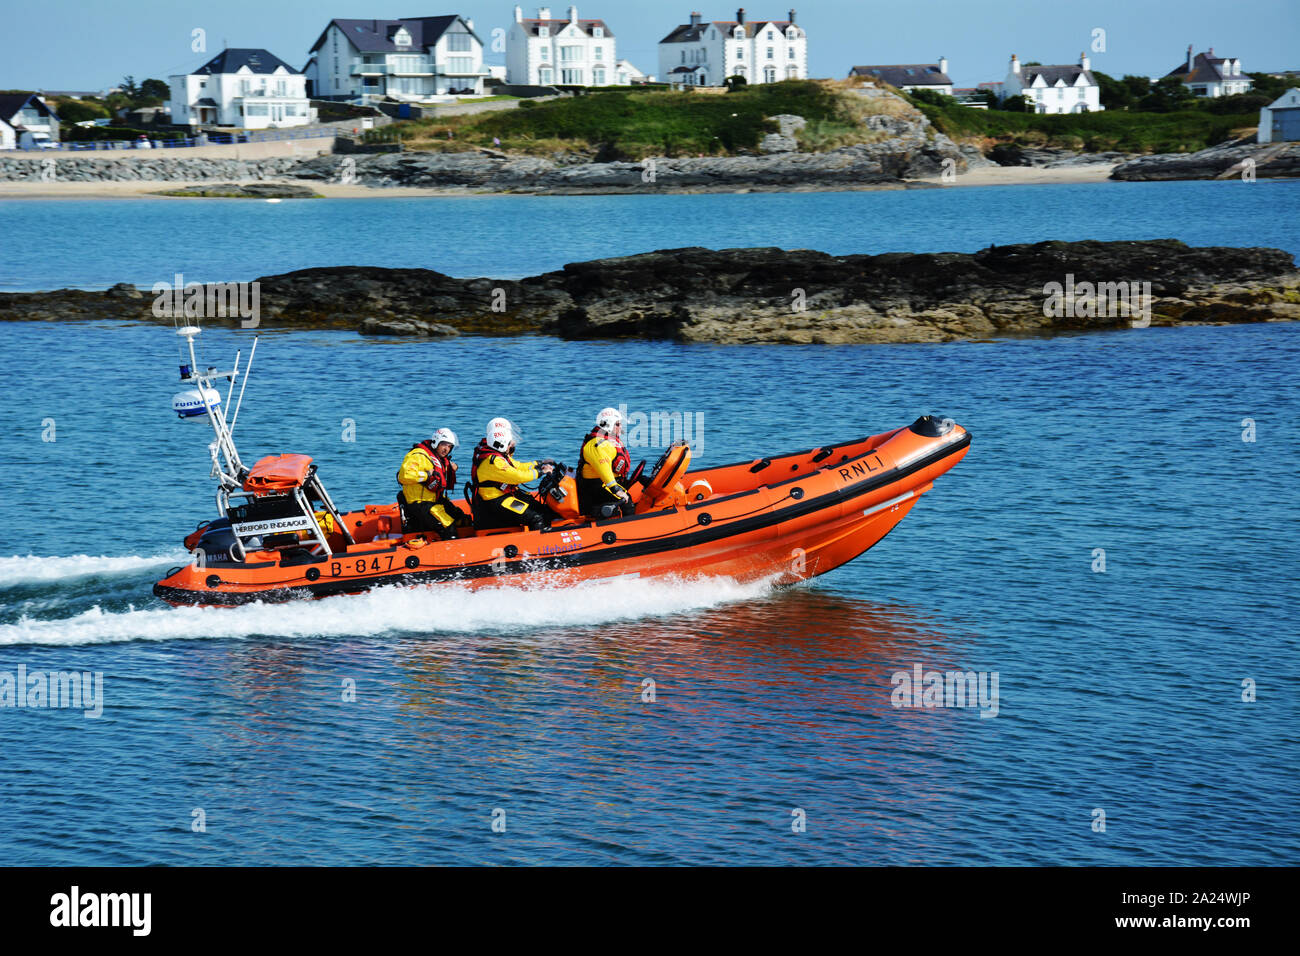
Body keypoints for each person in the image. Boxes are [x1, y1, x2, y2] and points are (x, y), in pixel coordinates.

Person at [470, 417, 559, 532]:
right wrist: (540, 472)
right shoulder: (494, 461)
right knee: (535, 517)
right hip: (497, 499)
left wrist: (539, 463)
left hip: (503, 493)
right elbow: (517, 476)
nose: (512, 443)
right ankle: (539, 546)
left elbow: (516, 466)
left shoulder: (495, 453)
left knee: (540, 508)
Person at [396, 427, 468, 539]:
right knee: (448, 526)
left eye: (450, 446)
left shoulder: (439, 458)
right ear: (436, 442)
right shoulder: (419, 455)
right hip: (420, 502)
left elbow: (439, 472)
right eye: (444, 444)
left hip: (435, 500)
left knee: (462, 520)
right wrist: (426, 476)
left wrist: (451, 468)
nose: (446, 449)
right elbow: (404, 475)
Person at [576, 407, 634, 520]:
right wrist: (616, 489)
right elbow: (604, 469)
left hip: (606, 481)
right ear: (608, 425)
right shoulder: (597, 445)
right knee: (627, 503)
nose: (621, 427)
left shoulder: (609, 441)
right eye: (617, 424)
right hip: (596, 484)